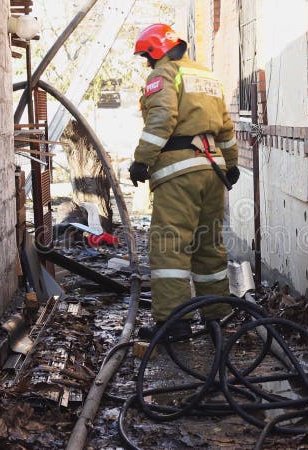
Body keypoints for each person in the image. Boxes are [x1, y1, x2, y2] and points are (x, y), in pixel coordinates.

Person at [128, 23, 241, 340]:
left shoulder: (165, 74)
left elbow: (162, 119)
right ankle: (217, 314)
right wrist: (231, 165)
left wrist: (142, 161)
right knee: (208, 244)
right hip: (213, 170)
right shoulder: (206, 75)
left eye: (147, 57)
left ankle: (173, 322)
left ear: (155, 52)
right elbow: (226, 128)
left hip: (179, 172)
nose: (148, 64)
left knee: (170, 245)